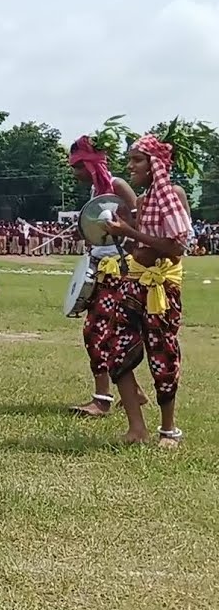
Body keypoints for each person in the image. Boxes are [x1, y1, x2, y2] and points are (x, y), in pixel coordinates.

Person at [101, 133, 195, 447]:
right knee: (115, 348)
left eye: (136, 160)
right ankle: (136, 428)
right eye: (129, 160)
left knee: (162, 356)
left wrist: (127, 231)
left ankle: (168, 430)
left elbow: (174, 248)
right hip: (136, 283)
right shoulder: (143, 202)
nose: (130, 167)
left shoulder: (174, 194)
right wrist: (120, 235)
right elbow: (143, 248)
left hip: (162, 290)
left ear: (155, 164)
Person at [67, 134, 145, 417]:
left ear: (90, 165)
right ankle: (133, 391)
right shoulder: (96, 192)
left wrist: (131, 262)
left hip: (119, 271)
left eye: (77, 166)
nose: (74, 172)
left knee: (98, 332)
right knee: (103, 333)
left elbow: (139, 222)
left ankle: (102, 400)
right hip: (101, 269)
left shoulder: (117, 186)